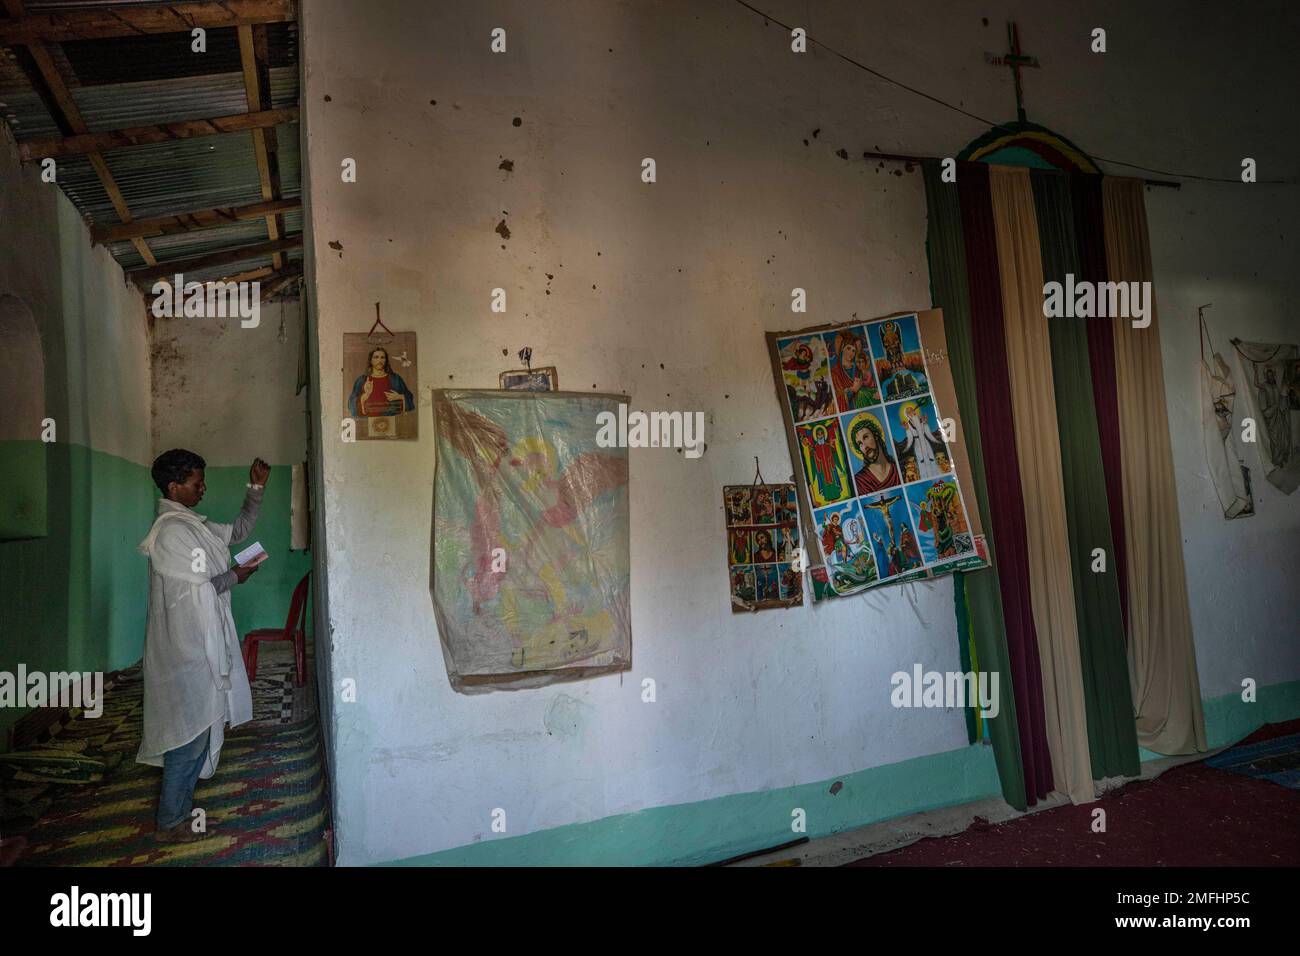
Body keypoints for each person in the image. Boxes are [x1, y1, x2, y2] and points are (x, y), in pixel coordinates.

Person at [136, 450, 269, 843]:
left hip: (201, 643)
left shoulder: (193, 525)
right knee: (187, 733)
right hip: (184, 648)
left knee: (200, 726)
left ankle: (177, 814)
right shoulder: (172, 531)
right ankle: (170, 822)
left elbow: (240, 531)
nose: (203, 488)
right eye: (197, 482)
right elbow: (199, 591)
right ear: (174, 486)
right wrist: (235, 575)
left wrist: (256, 486)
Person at [349, 346, 415, 417]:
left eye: (382, 357)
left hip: (392, 421)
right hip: (368, 422)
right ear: (370, 360)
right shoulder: (362, 380)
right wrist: (365, 395)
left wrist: (400, 397)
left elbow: (409, 398)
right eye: (376, 357)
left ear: (386, 360)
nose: (379, 360)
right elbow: (351, 404)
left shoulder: (395, 379)